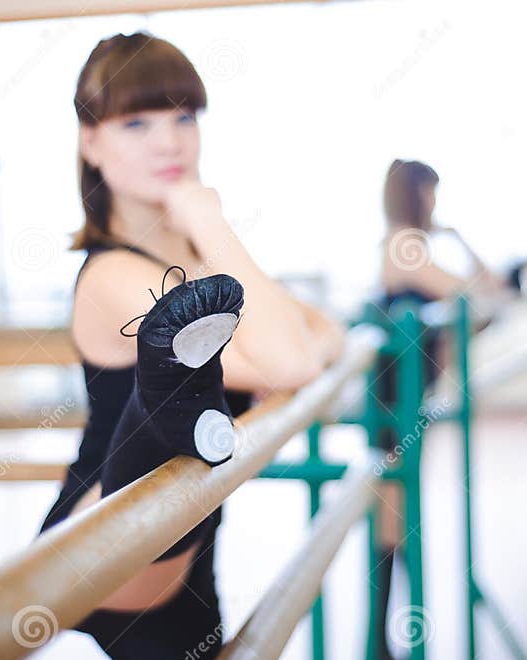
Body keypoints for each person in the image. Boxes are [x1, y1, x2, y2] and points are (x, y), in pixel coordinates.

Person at [37, 32, 345, 659]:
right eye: (137, 122)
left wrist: (207, 240)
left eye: (184, 116)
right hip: (115, 521)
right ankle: (170, 397)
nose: (170, 140)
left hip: (196, 524)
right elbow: (294, 358)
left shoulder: (203, 267)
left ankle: (179, 394)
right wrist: (207, 216)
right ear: (90, 141)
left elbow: (322, 331)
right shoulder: (111, 274)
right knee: (176, 363)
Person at [372, 159, 503, 658]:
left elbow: (483, 302)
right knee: (393, 516)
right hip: (389, 401)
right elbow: (481, 295)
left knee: (397, 514)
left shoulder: (410, 245)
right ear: (418, 195)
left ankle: (386, 637)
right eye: (432, 194)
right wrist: (459, 242)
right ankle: (383, 640)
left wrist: (459, 237)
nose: (436, 205)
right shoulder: (403, 246)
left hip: (407, 398)